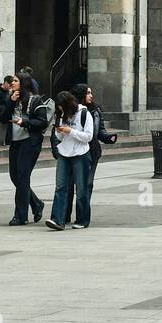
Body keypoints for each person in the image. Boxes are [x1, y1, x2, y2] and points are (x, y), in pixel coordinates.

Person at [56, 84, 117, 226]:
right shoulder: (65, 112)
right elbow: (58, 134)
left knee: (85, 185)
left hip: (90, 150)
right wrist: (57, 146)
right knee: (66, 185)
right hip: (68, 151)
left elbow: (97, 131)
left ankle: (82, 217)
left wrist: (108, 138)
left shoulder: (92, 111)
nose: (91, 95)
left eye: (91, 92)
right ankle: (62, 217)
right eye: (88, 93)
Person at [0, 74, 53, 225]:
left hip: (30, 142)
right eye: (12, 81)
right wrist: (11, 102)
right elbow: (3, 118)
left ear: (24, 83)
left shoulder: (36, 100)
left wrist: (25, 122)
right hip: (15, 142)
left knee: (23, 177)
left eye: (16, 81)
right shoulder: (11, 98)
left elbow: (42, 122)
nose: (12, 83)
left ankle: (20, 216)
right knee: (15, 177)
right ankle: (36, 203)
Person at [45, 90, 94, 231]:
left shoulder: (84, 114)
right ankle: (57, 219)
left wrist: (70, 131)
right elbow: (60, 138)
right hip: (64, 153)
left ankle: (83, 219)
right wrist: (59, 132)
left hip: (81, 154)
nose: (61, 110)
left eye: (62, 107)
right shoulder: (61, 115)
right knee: (60, 187)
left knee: (81, 188)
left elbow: (88, 136)